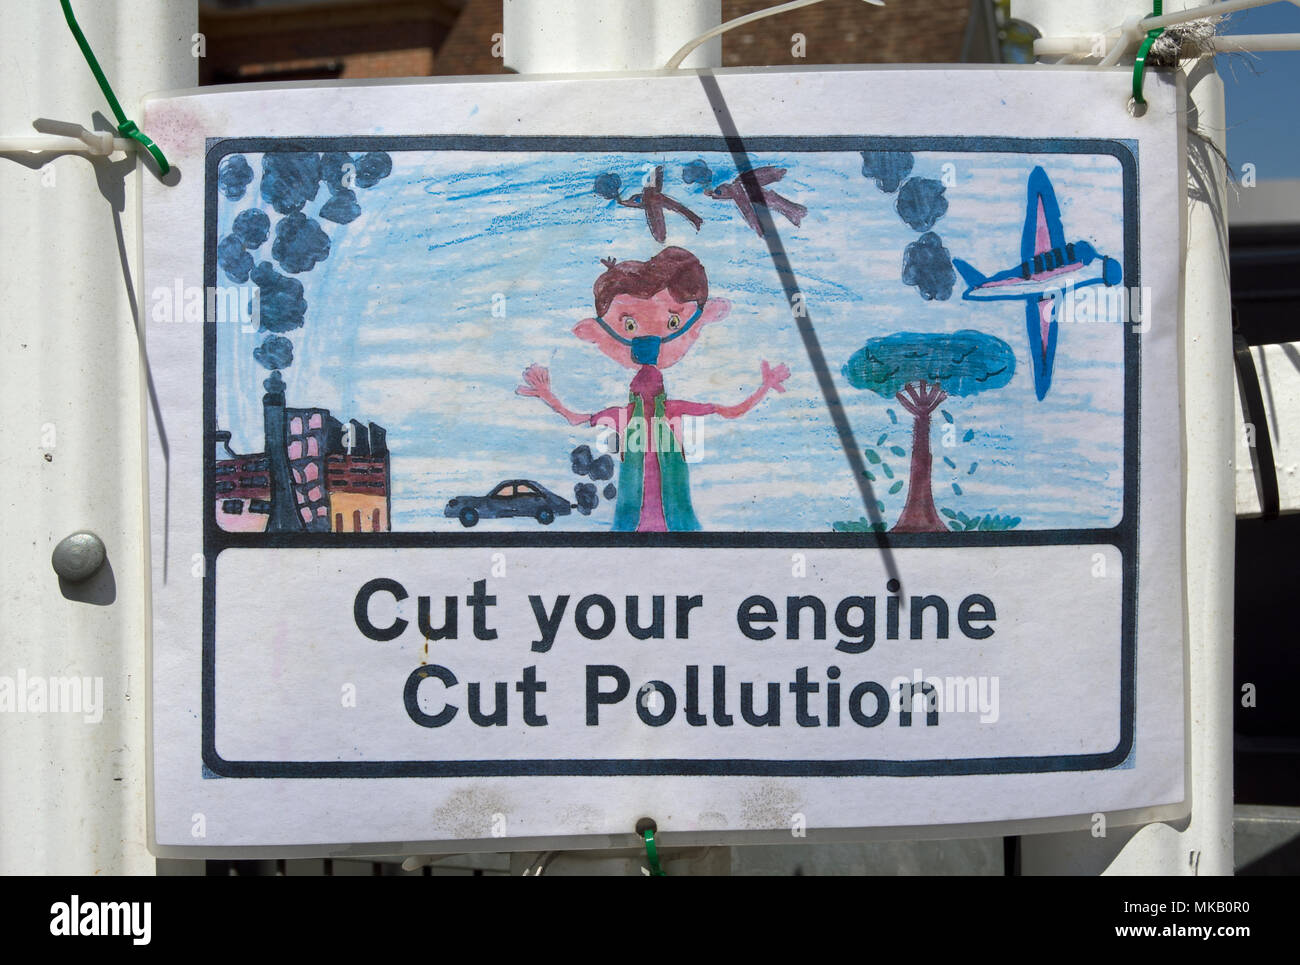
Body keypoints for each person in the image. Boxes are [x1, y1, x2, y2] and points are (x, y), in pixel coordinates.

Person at [517, 246, 789, 531]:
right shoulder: (661, 412)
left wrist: (548, 396)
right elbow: (729, 411)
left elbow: (575, 417)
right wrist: (765, 387)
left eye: (673, 321)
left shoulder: (627, 415)